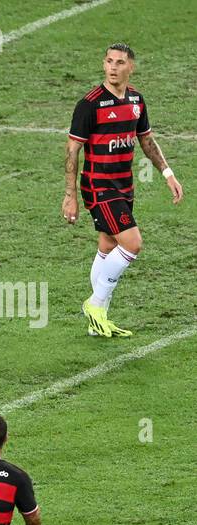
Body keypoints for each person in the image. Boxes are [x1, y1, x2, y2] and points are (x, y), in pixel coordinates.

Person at [64, 43, 183, 337]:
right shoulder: (90, 104)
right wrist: (70, 196)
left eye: (119, 62)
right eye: (108, 61)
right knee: (132, 243)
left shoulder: (136, 101)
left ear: (131, 66)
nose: (113, 67)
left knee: (107, 246)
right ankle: (96, 304)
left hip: (124, 186)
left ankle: (96, 323)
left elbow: (146, 141)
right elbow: (72, 150)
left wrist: (168, 173)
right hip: (98, 186)